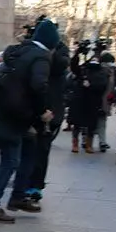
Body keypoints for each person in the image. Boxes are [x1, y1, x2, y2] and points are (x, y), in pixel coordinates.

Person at [0, 19, 55, 223]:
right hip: (12, 116)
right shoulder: (41, 56)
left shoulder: (17, 51)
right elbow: (39, 85)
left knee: (29, 148)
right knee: (10, 161)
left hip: (4, 111)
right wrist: (43, 111)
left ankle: (18, 197)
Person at [19, 34, 70, 204]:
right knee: (28, 150)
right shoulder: (33, 53)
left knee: (41, 150)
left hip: (50, 112)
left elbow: (62, 65)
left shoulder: (57, 56)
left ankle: (35, 186)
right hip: (33, 109)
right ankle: (24, 184)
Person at [68, 43, 107, 153]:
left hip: (93, 100)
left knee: (91, 124)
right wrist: (77, 53)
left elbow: (103, 85)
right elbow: (74, 66)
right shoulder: (83, 68)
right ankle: (75, 143)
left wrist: (91, 85)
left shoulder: (101, 72)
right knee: (77, 123)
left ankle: (89, 144)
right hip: (79, 99)